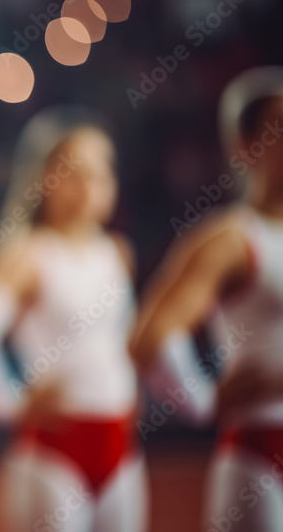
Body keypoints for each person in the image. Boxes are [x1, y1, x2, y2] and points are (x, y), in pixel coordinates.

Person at [0, 105, 147, 531]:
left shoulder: (117, 253)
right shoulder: (28, 254)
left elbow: (120, 342)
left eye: (100, 172)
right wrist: (9, 404)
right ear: (43, 179)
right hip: (53, 452)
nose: (89, 186)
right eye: (73, 171)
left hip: (121, 447)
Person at [129, 66, 283, 531]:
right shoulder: (234, 239)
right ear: (246, 146)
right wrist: (202, 399)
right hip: (260, 457)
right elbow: (148, 338)